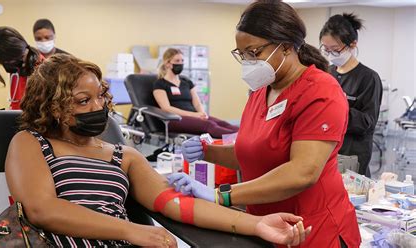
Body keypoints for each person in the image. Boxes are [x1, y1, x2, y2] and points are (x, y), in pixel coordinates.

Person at [5, 53, 311, 247]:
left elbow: (177, 204)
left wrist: (257, 224)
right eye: (83, 101)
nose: (98, 106)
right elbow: (41, 209)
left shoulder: (124, 156)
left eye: (100, 96)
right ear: (52, 107)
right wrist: (131, 231)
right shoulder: (32, 143)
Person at [168, 1, 360, 247]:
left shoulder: (320, 91)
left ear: (287, 46)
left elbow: (303, 172)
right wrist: (208, 151)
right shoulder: (261, 91)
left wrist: (221, 195)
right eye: (242, 54)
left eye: (254, 53)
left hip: (314, 229)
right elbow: (255, 153)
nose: (248, 61)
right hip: (267, 225)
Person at [319, 13, 383, 177]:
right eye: (326, 49)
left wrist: (336, 109)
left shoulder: (368, 78)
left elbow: (367, 123)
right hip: (324, 151)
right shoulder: (327, 73)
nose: (330, 54)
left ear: (353, 44)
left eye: (335, 49)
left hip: (351, 155)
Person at [153, 48, 239, 138]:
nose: (180, 63)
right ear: (167, 64)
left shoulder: (186, 82)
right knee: (209, 125)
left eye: (182, 60)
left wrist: (202, 114)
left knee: (223, 123)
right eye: (177, 60)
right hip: (174, 119)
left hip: (194, 116)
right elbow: (166, 108)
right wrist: (194, 115)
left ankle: (246, 138)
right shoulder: (160, 84)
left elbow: (197, 103)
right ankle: (239, 141)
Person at [0, 26, 43, 110]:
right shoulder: (16, 70)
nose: (8, 65)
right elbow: (16, 103)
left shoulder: (43, 70)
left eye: (8, 61)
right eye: (5, 62)